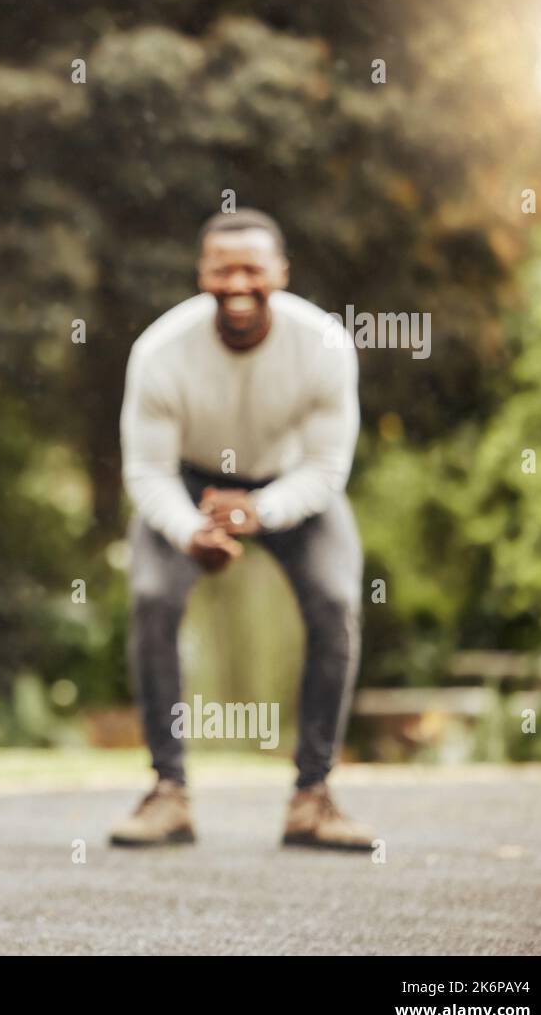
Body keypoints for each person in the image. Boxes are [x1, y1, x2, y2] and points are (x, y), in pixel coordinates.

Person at [110, 208, 375, 853]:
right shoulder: (160, 350)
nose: (237, 283)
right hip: (187, 485)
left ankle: (313, 797)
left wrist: (262, 510)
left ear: (281, 272)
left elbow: (327, 468)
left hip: (292, 485)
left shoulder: (323, 344)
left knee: (336, 599)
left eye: (252, 269)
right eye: (221, 269)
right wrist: (189, 532)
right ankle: (168, 792)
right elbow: (147, 471)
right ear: (201, 273)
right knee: (152, 597)